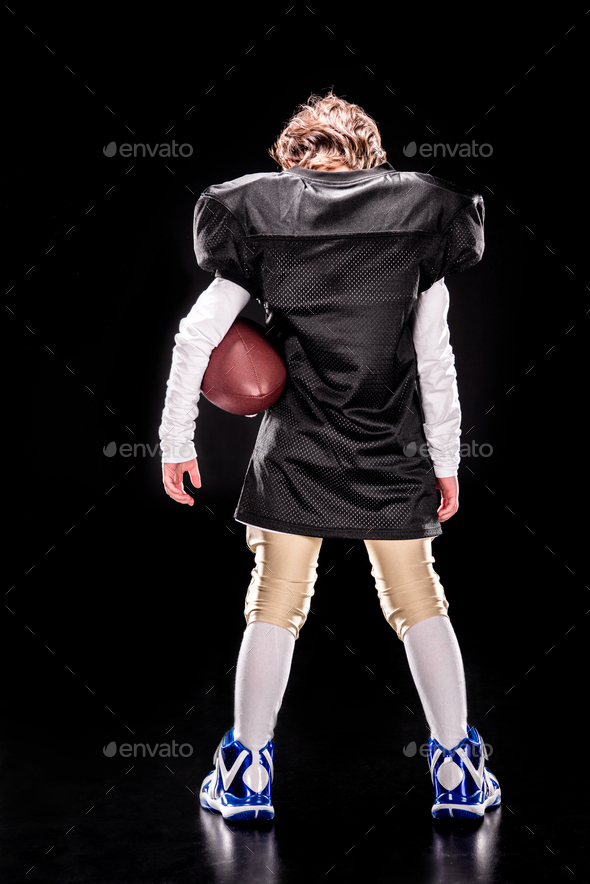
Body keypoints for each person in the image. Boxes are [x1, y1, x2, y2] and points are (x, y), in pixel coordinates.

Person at [159, 90, 501, 822]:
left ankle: (248, 775)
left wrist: (175, 440)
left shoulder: (260, 215)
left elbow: (195, 338)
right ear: (371, 156)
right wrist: (446, 459)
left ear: (291, 158)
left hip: (297, 446)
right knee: (418, 601)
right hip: (390, 443)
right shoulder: (424, 217)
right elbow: (435, 360)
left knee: (274, 604)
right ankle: (459, 775)